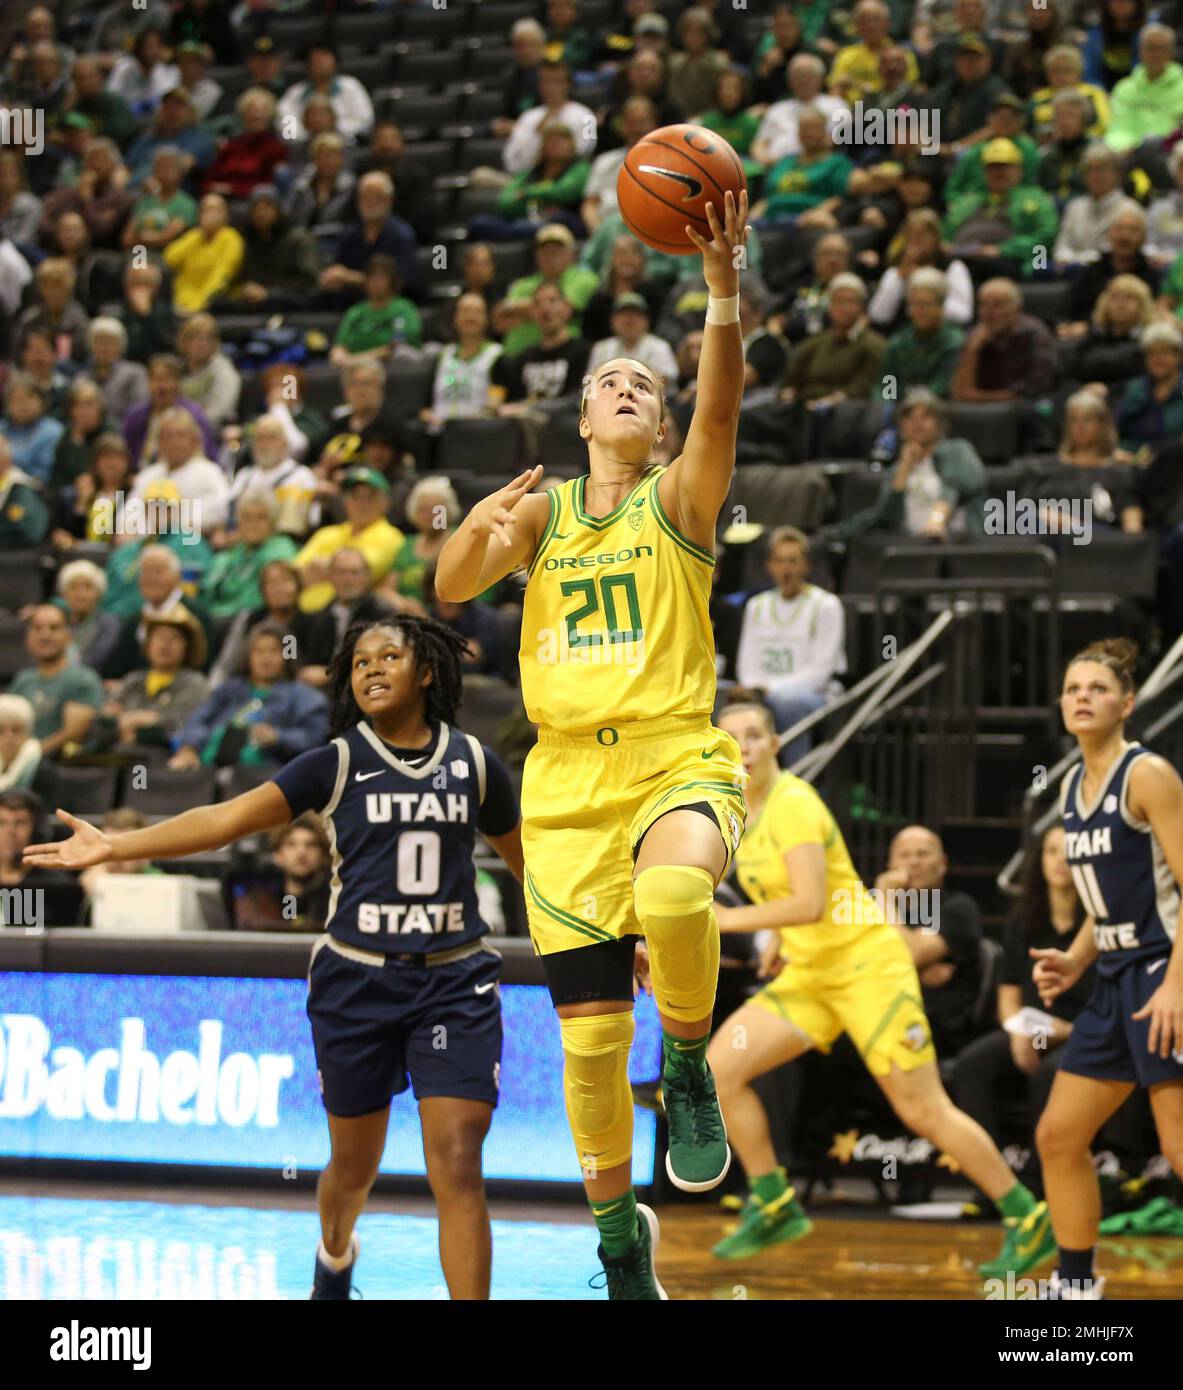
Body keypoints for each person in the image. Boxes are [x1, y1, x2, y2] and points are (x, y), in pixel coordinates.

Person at [437, 189, 752, 1299]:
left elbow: (721, 415)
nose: (627, 389)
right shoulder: (544, 511)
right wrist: (478, 529)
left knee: (674, 905)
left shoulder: (680, 498)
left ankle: (688, 1062)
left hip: (671, 756)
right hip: (563, 784)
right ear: (581, 418)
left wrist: (720, 289)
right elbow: (449, 588)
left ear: (658, 429)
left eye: (645, 389)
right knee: (580, 1050)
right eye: (609, 382)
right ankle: (619, 1240)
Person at [704, 701, 1053, 1279]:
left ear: (774, 744)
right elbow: (797, 909)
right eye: (732, 737)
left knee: (922, 1110)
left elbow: (811, 902)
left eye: (755, 735)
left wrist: (718, 921)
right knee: (721, 1070)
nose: (743, 746)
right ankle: (772, 1201)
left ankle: (1026, 1214)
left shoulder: (793, 804)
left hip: (868, 968)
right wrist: (781, 943)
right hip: (814, 974)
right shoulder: (739, 810)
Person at [1029, 639, 1183, 1298]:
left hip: (1163, 970)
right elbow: (1106, 902)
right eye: (1071, 689)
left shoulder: (1146, 775)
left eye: (1096, 688)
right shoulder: (1069, 783)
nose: (1081, 698)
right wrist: (1074, 958)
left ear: (1125, 703)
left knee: (1177, 1147)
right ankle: (1075, 1288)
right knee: (1059, 1135)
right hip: (1115, 976)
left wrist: (1178, 984)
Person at [953, 826, 1091, 1196]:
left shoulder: (1098, 924)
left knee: (1049, 1072)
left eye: (1068, 851)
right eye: (1050, 851)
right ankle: (991, 1183)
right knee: (972, 1064)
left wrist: (1068, 1031)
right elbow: (1008, 997)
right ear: (1039, 861)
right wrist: (1016, 1031)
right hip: (1032, 1027)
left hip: (1084, 1030)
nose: (1059, 860)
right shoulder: (1023, 922)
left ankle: (1037, 1182)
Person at [731, 527, 845, 762]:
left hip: (817, 695)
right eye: (780, 560)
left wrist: (771, 690)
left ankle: (798, 776)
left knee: (787, 701)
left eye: (793, 561)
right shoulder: (757, 605)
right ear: (770, 565)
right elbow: (747, 665)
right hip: (764, 692)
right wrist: (755, 689)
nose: (786, 568)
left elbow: (819, 674)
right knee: (725, 694)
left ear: (806, 565)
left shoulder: (827, 605)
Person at [104, 605, 211, 751]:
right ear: (148, 644)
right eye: (160, 636)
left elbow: (181, 725)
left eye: (175, 638)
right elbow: (106, 719)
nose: (166, 643)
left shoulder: (195, 684)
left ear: (187, 647)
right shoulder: (133, 680)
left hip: (162, 760)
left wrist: (136, 721)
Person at [7, 604, 103, 758]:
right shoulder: (22, 680)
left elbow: (73, 734)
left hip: (58, 771)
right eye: (37, 628)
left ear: (68, 635)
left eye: (54, 628)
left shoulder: (82, 679)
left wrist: (26, 759)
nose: (45, 635)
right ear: (27, 637)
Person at [330, 255, 422, 366]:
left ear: (392, 281)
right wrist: (348, 360)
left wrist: (357, 360)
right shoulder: (355, 312)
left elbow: (397, 347)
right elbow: (338, 350)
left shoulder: (404, 309)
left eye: (382, 277)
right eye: (372, 277)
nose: (376, 282)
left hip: (393, 366)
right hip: (355, 369)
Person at [1104, 23, 1183, 153]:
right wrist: (1124, 145)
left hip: (1168, 153)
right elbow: (1117, 126)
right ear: (1140, 52)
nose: (1155, 54)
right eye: (1150, 48)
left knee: (1151, 145)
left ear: (1171, 53)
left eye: (1161, 48)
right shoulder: (1124, 88)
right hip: (1124, 151)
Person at [161, 192, 245, 314]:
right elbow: (169, 259)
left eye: (216, 210)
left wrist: (198, 307)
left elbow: (222, 277)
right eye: (205, 210)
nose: (211, 215)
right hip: (181, 303)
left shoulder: (231, 238)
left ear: (226, 215)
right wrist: (200, 234)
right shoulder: (194, 236)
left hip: (213, 306)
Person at [277, 43, 374, 143]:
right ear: (307, 65)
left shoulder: (351, 86)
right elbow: (287, 129)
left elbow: (365, 120)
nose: (319, 63)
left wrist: (332, 127)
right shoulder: (295, 93)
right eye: (315, 59)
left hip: (345, 143)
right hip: (305, 146)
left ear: (335, 63)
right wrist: (310, 133)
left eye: (324, 58)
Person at [588, 294, 679, 383]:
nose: (629, 320)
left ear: (646, 321)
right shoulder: (601, 348)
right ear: (613, 321)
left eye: (634, 315)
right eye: (623, 315)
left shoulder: (659, 346)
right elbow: (591, 383)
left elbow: (663, 384)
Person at [177, 312, 240, 429]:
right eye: (194, 338)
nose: (201, 344)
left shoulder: (225, 372)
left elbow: (218, 413)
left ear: (215, 343)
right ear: (183, 341)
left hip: (212, 432)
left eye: (208, 339)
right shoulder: (177, 371)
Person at [0, 694, 41, 793]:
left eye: (16, 730)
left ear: (28, 734)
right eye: (0, 730)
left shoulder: (41, 771)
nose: (8, 738)